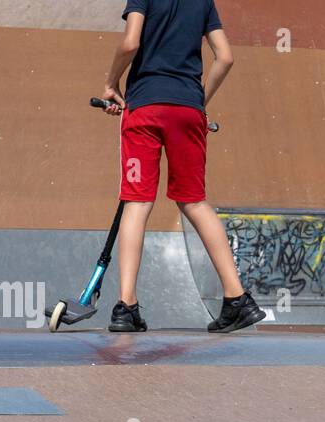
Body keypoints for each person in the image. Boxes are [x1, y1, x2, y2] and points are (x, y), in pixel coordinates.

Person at [99, 0, 264, 333]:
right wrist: (197, 103)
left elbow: (130, 43)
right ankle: (237, 298)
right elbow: (225, 57)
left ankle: (126, 306)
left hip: (144, 107)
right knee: (194, 201)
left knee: (138, 202)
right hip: (188, 108)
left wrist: (111, 83)